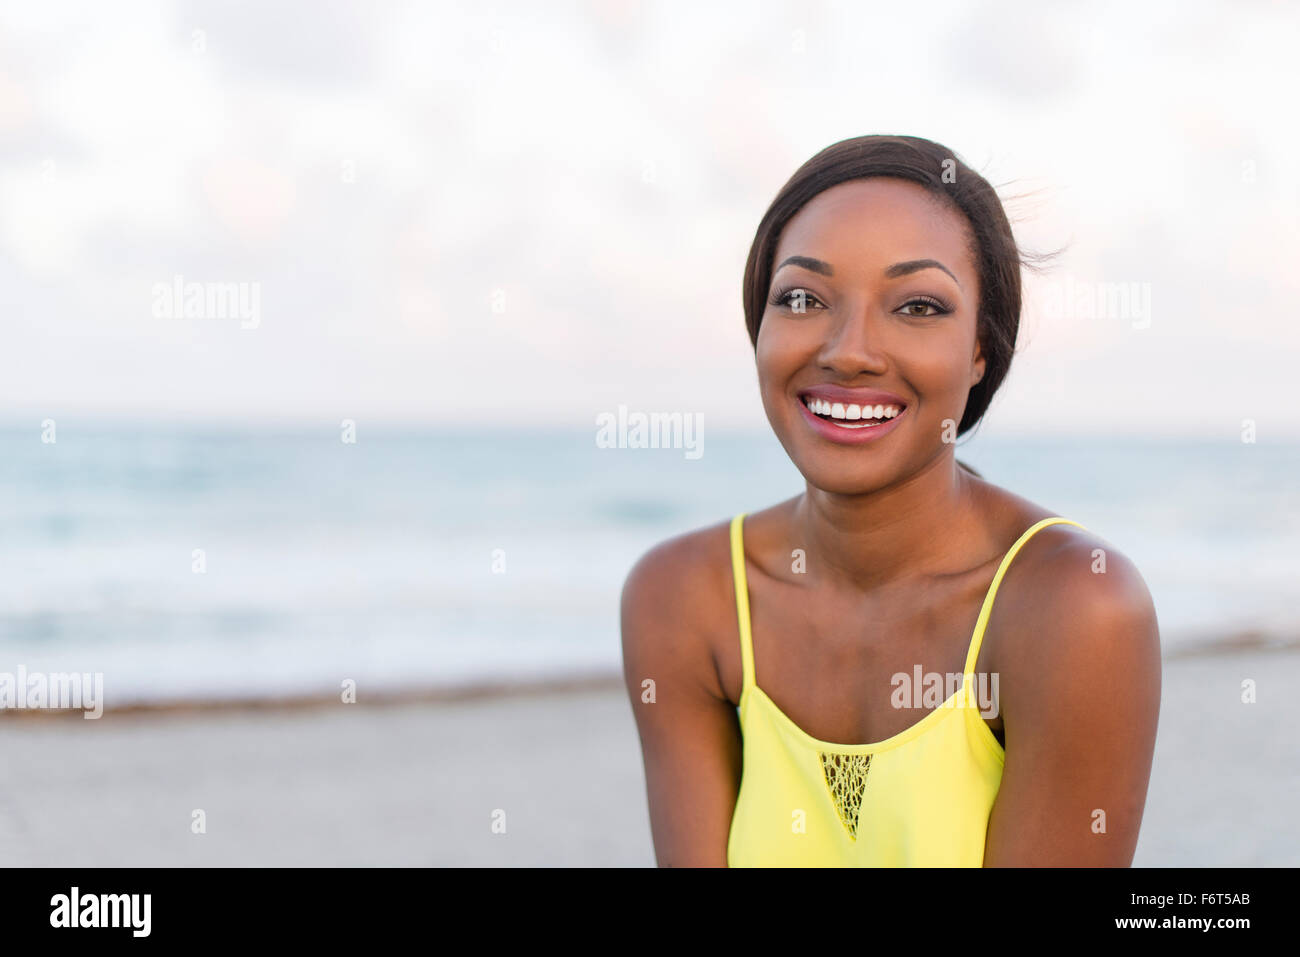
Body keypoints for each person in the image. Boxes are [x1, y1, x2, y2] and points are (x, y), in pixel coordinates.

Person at [620, 134, 1160, 867]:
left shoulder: (1075, 607)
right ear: (760, 326)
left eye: (917, 306)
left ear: (981, 350)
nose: (849, 350)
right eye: (803, 298)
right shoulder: (683, 598)